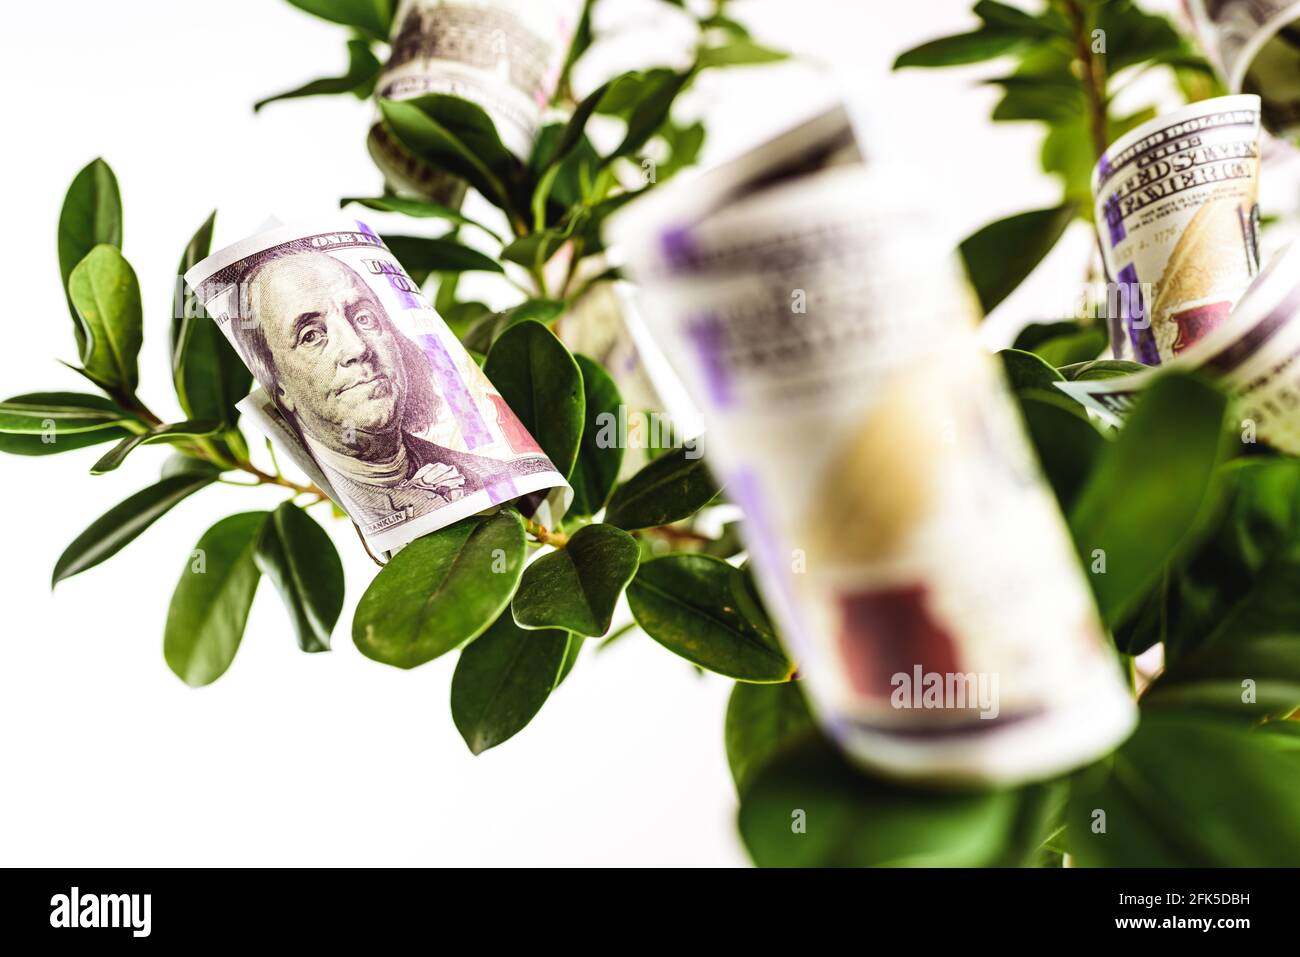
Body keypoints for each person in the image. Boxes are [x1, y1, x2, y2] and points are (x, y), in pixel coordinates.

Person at [231, 250, 504, 521]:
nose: (358, 347)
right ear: (279, 388)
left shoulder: (487, 473)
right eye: (311, 335)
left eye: (364, 318)